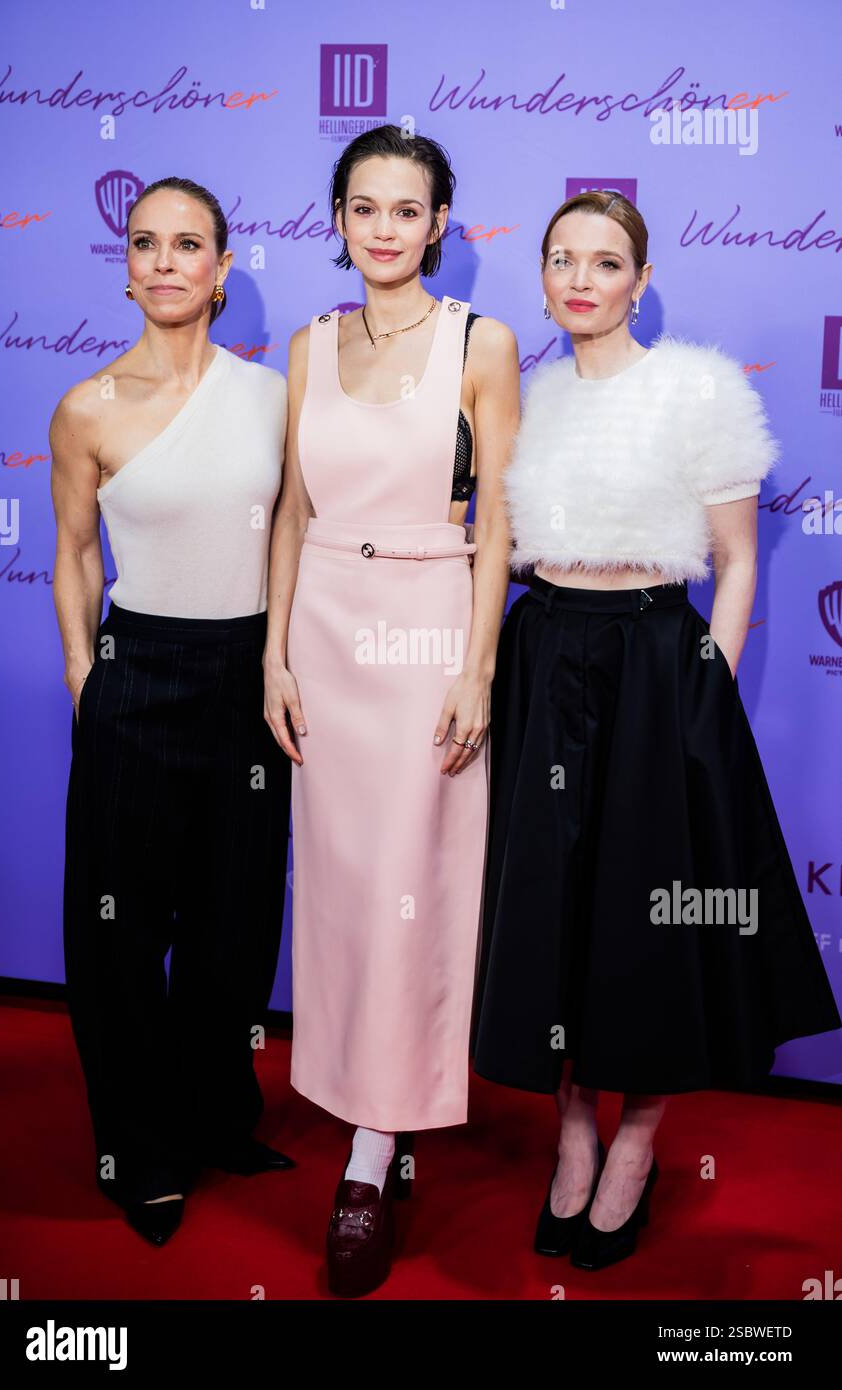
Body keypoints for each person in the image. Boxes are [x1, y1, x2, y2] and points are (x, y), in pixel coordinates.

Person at [470, 189, 842, 1272]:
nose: (579, 279)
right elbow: (499, 545)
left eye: (603, 261)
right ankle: (572, 1137)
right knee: (561, 911)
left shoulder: (696, 387)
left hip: (653, 659)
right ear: (540, 278)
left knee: (650, 918)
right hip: (547, 655)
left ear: (638, 279)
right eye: (560, 260)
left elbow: (736, 561)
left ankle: (635, 1145)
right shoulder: (526, 398)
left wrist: (703, 684)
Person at [264, 124, 520, 1296]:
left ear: (437, 225)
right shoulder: (308, 345)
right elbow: (286, 512)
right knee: (346, 890)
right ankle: (367, 1104)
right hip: (323, 621)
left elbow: (499, 523)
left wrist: (474, 667)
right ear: (336, 219)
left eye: (405, 210)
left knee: (417, 888)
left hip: (424, 632)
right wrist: (274, 654)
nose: (382, 228)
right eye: (362, 207)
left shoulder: (482, 341)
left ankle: (374, 1154)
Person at [50, 176, 293, 1247]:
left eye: (186, 243)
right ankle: (135, 1146)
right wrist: (82, 677)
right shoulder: (86, 407)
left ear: (221, 266)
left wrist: (280, 656)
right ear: (127, 265)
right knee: (119, 931)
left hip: (247, 676)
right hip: (135, 674)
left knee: (233, 923)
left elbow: (291, 527)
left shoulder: (271, 395)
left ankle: (213, 1114)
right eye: (144, 242)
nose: (163, 261)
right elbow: (70, 555)